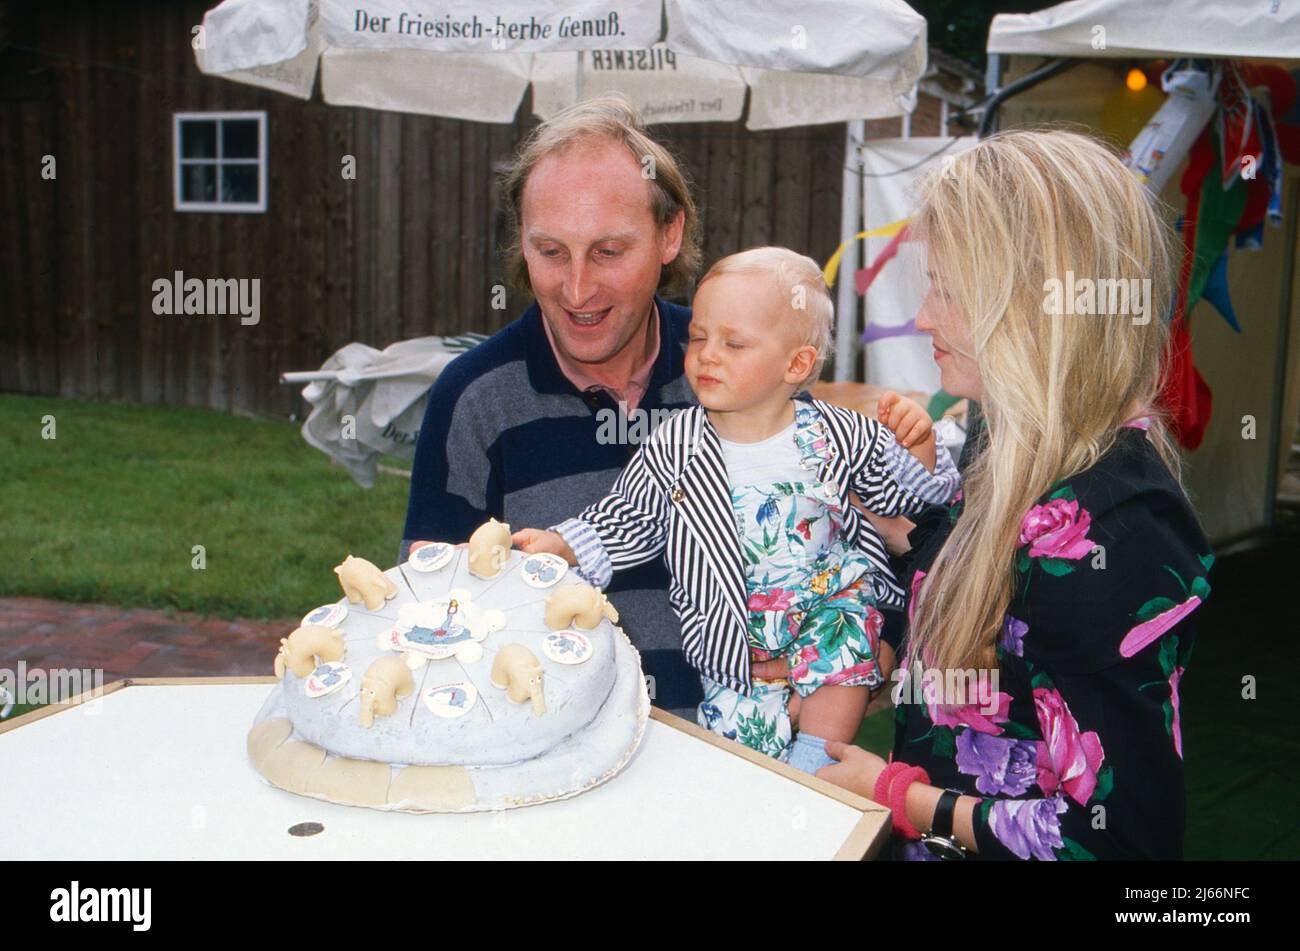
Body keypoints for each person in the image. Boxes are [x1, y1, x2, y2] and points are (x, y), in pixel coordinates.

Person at [815, 129, 1214, 860]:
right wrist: (880, 652)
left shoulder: (1115, 533)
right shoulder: (1000, 438)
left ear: (1037, 307)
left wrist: (903, 799)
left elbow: (1119, 839)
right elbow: (988, 615)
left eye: (949, 288)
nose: (925, 316)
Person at [513, 247, 960, 773]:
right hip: (733, 633)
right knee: (735, 744)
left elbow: (912, 503)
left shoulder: (838, 433)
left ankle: (817, 762)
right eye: (699, 337)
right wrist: (564, 544)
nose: (707, 355)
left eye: (734, 343)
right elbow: (627, 517)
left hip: (827, 601)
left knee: (845, 647)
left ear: (796, 363)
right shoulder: (675, 446)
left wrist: (920, 449)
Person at [400, 95, 704, 716]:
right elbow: (429, 615)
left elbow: (850, 542)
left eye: (608, 252)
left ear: (669, 235)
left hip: (737, 757)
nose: (577, 289)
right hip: (548, 757)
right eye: (551, 251)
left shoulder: (738, 369)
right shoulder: (473, 397)